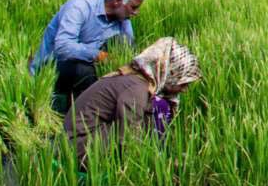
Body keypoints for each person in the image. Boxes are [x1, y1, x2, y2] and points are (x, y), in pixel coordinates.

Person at [65, 37, 201, 168]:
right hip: (75, 146)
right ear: (170, 74)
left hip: (82, 140)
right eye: (182, 84)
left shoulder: (137, 82)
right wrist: (159, 164)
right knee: (145, 123)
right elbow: (129, 136)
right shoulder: (137, 89)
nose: (183, 90)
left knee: (158, 107)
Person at [29, 0, 146, 112]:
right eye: (134, 7)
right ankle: (79, 115)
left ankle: (109, 107)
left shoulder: (123, 18)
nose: (136, 12)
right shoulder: (80, 7)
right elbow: (63, 47)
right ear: (117, 1)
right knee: (85, 70)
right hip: (54, 67)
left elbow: (129, 51)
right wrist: (98, 55)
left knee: (124, 42)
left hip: (87, 65)